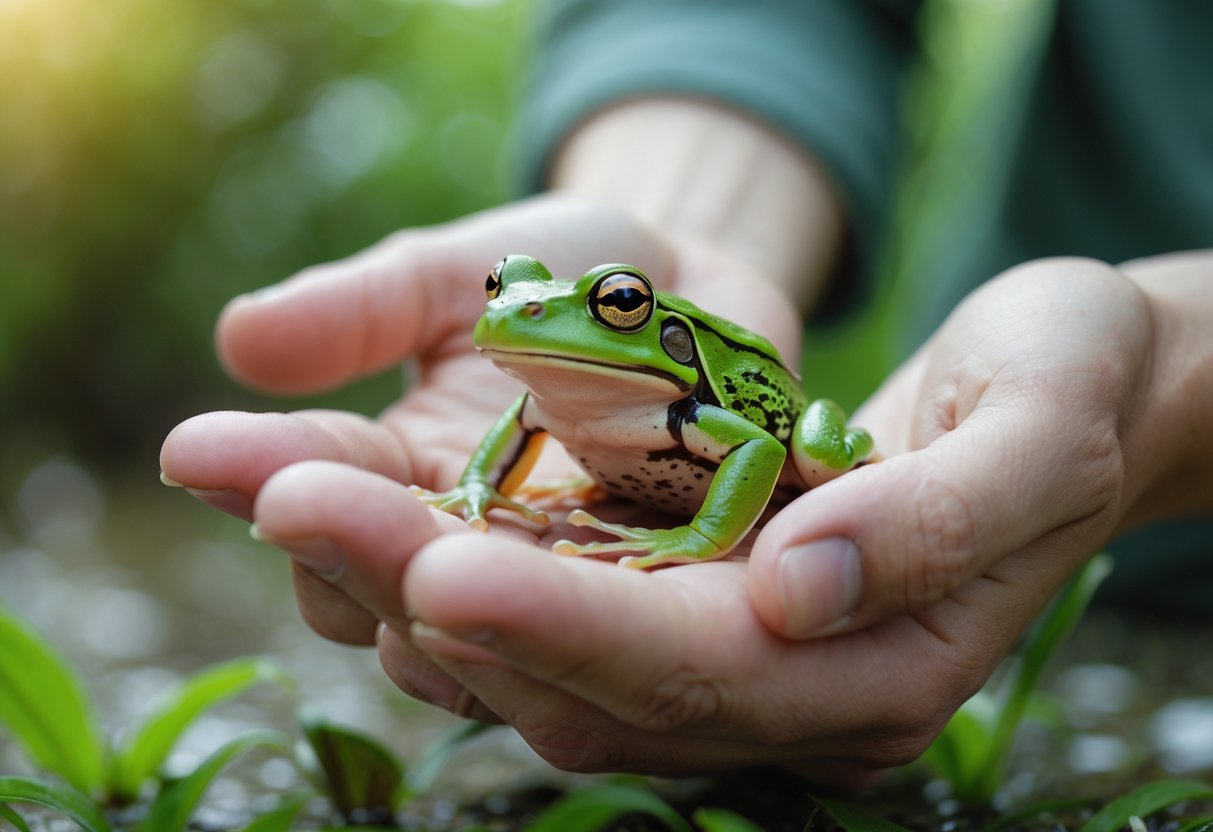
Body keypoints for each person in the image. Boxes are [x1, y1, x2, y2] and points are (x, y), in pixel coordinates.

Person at [160, 1, 1213, 785]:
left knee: (814, 448)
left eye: (613, 303)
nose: (517, 312)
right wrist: (478, 492)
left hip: (878, 451)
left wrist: (700, 540)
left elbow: (754, 448)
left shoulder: (689, 407)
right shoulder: (543, 400)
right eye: (503, 294)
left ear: (644, 316)